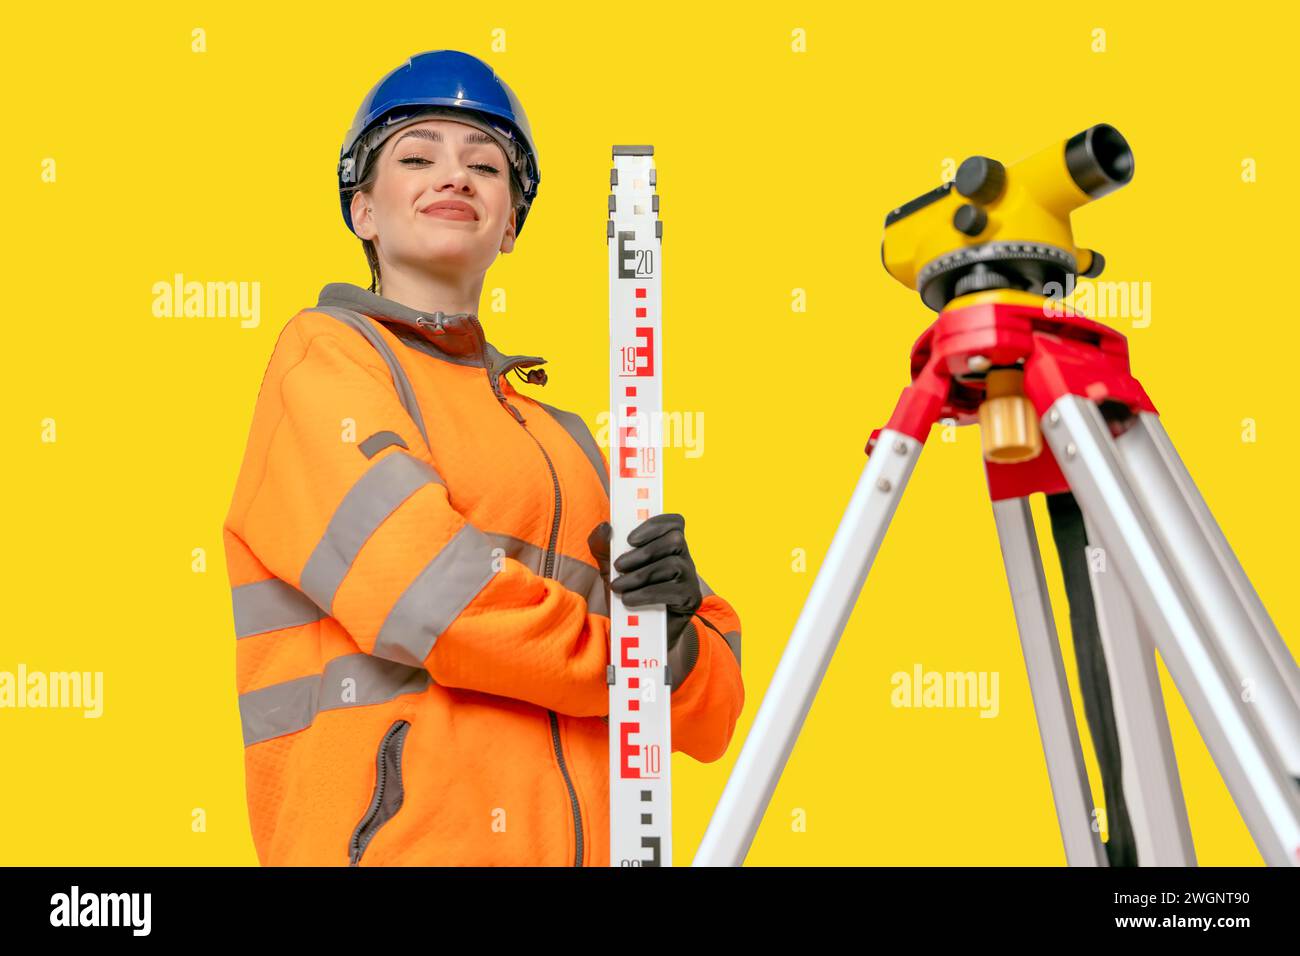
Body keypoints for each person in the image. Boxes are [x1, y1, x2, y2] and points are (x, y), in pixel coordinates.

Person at [221, 49, 744, 866]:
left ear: (509, 226)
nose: (454, 175)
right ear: (363, 211)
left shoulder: (563, 438)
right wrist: (629, 663)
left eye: (486, 166)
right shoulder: (325, 360)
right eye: (418, 156)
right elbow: (431, 598)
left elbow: (710, 718)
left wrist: (676, 634)